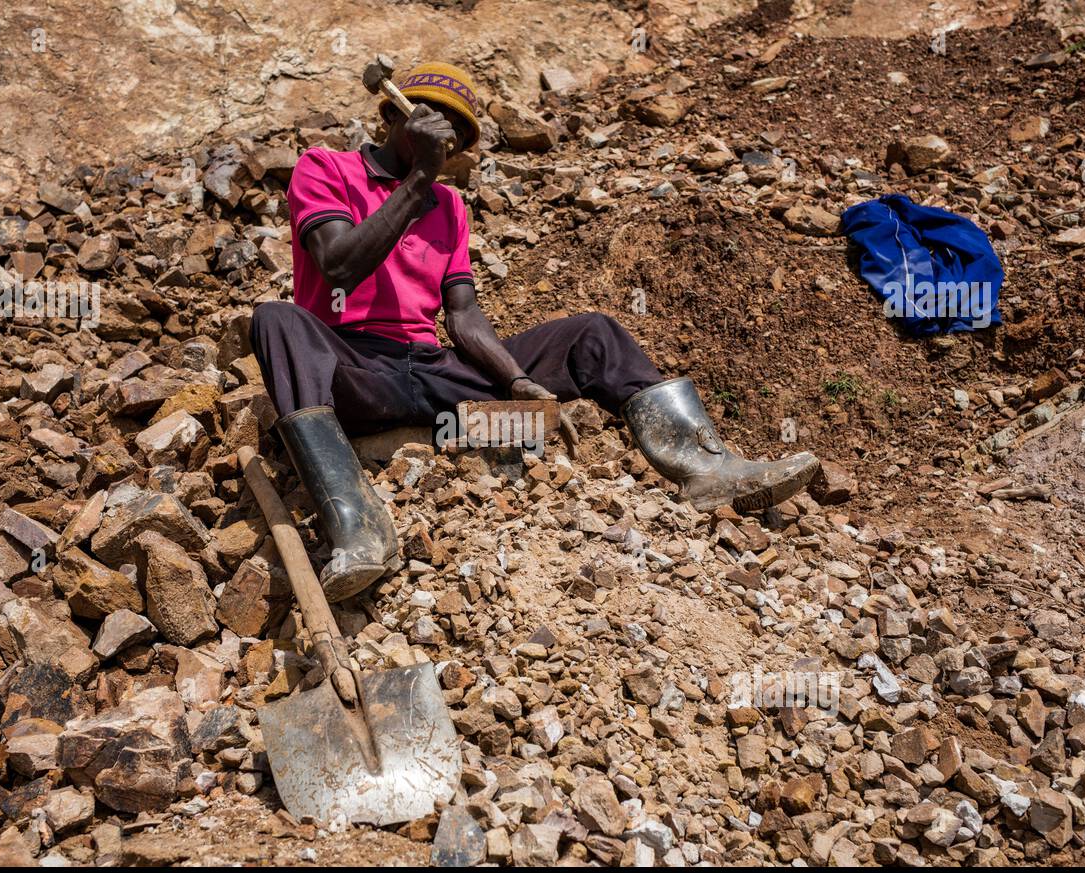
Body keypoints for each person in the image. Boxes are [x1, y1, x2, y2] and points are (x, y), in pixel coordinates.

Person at [249, 61, 818, 601]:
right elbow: (341, 264)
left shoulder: (448, 205)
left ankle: (705, 467)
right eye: (435, 124)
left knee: (592, 334)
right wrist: (418, 178)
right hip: (354, 371)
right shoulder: (326, 168)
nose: (446, 145)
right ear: (397, 114)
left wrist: (517, 380)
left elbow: (464, 317)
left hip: (432, 371)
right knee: (276, 320)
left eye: (456, 137)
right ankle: (359, 524)